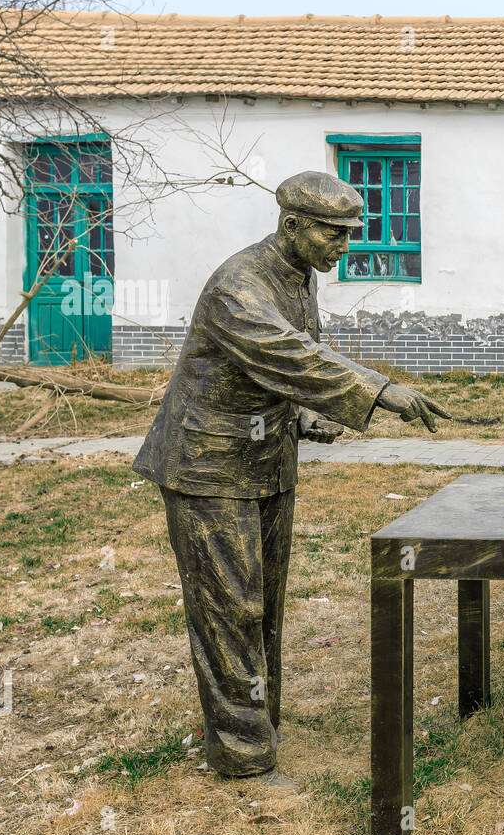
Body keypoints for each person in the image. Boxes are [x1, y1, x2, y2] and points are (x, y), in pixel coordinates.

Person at [133, 171, 449, 789]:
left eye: (350, 235)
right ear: (293, 225)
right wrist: (380, 391)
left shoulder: (300, 279)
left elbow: (289, 369)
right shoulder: (237, 285)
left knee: (265, 603)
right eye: (334, 233)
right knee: (230, 607)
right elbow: (289, 354)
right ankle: (242, 758)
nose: (344, 247)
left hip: (267, 461)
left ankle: (257, 724)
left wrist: (307, 415)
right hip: (208, 467)